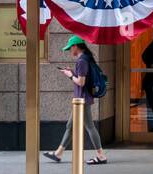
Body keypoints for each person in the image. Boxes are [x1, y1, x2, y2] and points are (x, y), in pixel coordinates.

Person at [44, 35, 106, 166]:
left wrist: (70, 75)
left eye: (70, 48)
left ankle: (101, 155)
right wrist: (72, 72)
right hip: (82, 99)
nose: (69, 51)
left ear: (75, 46)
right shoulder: (86, 59)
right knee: (71, 126)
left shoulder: (82, 61)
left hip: (81, 100)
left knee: (89, 127)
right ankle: (58, 153)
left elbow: (81, 82)